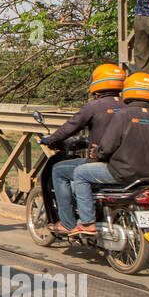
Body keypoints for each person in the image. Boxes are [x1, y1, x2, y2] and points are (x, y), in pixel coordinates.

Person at [68, 72, 149, 236]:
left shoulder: (123, 115)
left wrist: (96, 152)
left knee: (80, 173)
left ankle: (87, 223)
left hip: (122, 172)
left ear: (129, 90)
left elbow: (107, 147)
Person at [41, 63, 127, 233]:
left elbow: (71, 126)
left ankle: (67, 223)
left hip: (102, 162)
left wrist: (51, 139)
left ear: (97, 82)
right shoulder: (129, 106)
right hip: (127, 163)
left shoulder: (94, 106)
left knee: (59, 171)